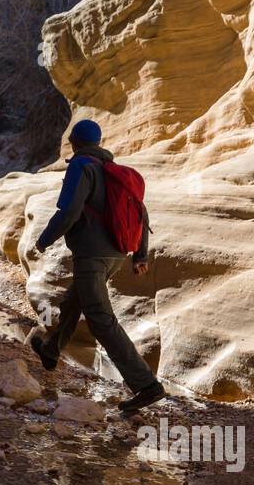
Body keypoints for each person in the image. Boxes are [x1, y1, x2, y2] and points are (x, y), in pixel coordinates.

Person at [30, 119, 167, 414]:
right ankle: (51, 351)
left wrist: (44, 239)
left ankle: (146, 385)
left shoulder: (81, 167)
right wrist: (140, 255)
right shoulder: (115, 172)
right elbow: (141, 214)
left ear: (74, 143)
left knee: (100, 319)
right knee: (75, 299)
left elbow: (68, 211)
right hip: (116, 255)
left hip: (91, 255)